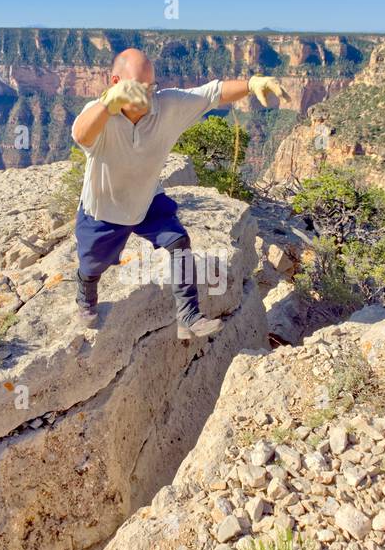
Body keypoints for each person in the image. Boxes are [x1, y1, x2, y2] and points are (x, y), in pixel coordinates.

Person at [69, 48, 288, 338]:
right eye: (137, 88)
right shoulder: (98, 115)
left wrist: (250, 84)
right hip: (104, 208)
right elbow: (81, 135)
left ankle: (188, 316)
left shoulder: (167, 105)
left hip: (147, 199)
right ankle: (86, 292)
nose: (146, 96)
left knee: (178, 242)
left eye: (151, 88)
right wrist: (107, 105)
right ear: (115, 82)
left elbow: (214, 93)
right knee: (92, 264)